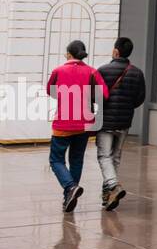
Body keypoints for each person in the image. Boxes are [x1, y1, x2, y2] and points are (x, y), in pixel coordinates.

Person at [46, 40, 110, 213]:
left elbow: (50, 91)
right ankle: (69, 195)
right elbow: (104, 94)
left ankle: (70, 187)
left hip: (63, 123)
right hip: (84, 124)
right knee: (76, 159)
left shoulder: (58, 71)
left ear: (68, 54)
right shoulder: (92, 72)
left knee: (56, 159)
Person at [95, 37, 147, 211]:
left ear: (116, 51)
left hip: (105, 121)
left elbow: (95, 95)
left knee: (104, 156)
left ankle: (113, 186)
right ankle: (108, 196)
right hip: (125, 121)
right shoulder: (137, 73)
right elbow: (140, 98)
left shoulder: (102, 70)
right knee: (115, 157)